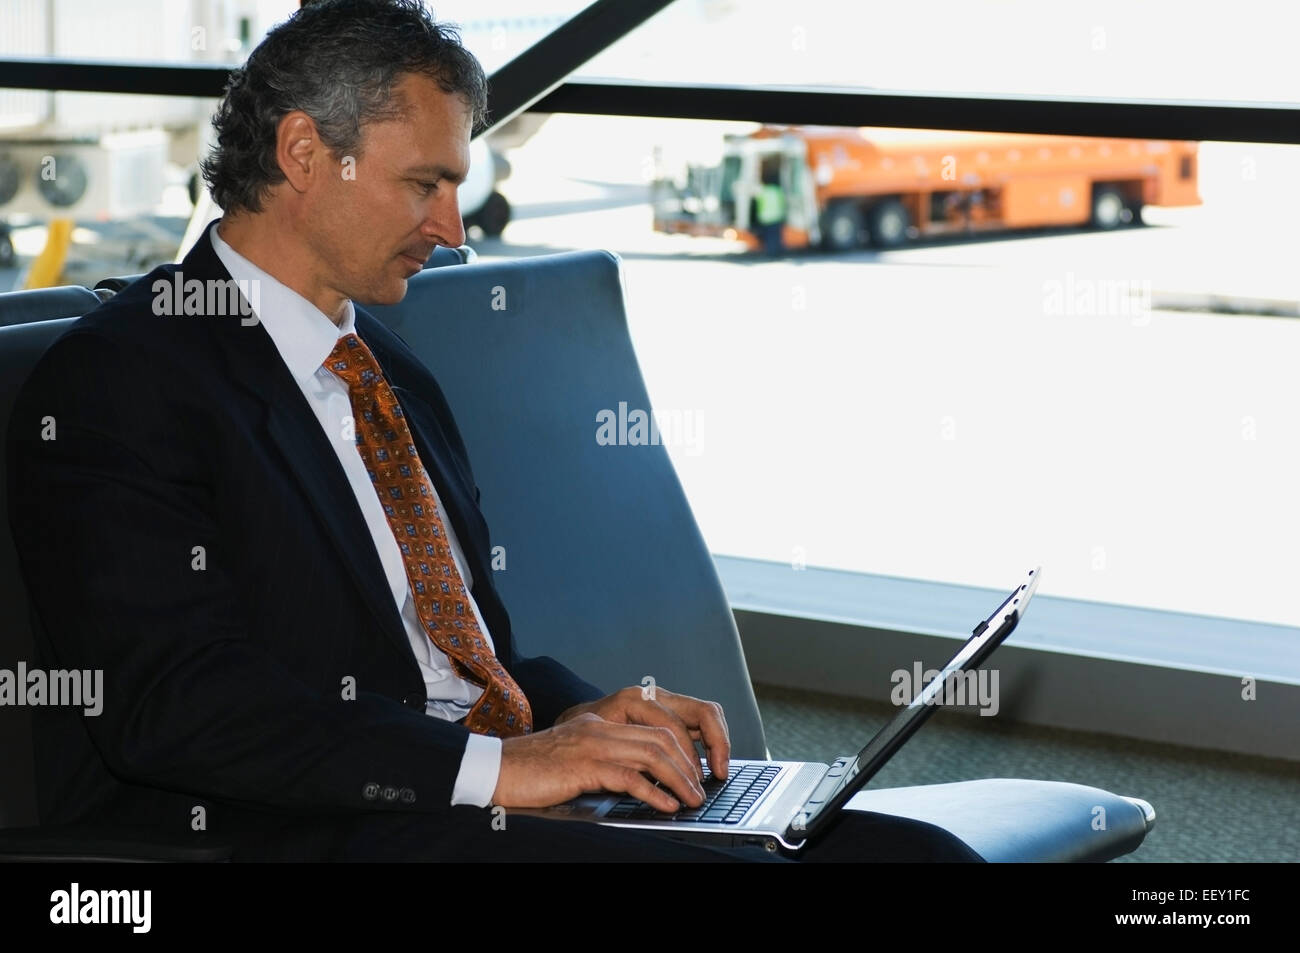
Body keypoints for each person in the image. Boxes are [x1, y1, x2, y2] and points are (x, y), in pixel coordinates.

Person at [5, 0, 979, 862]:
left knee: (916, 852)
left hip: (465, 796)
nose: (454, 226)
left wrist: (589, 714)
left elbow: (460, 654)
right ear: (303, 153)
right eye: (423, 183)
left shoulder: (392, 373)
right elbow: (180, 707)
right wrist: (503, 771)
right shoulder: (123, 380)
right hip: (302, 820)